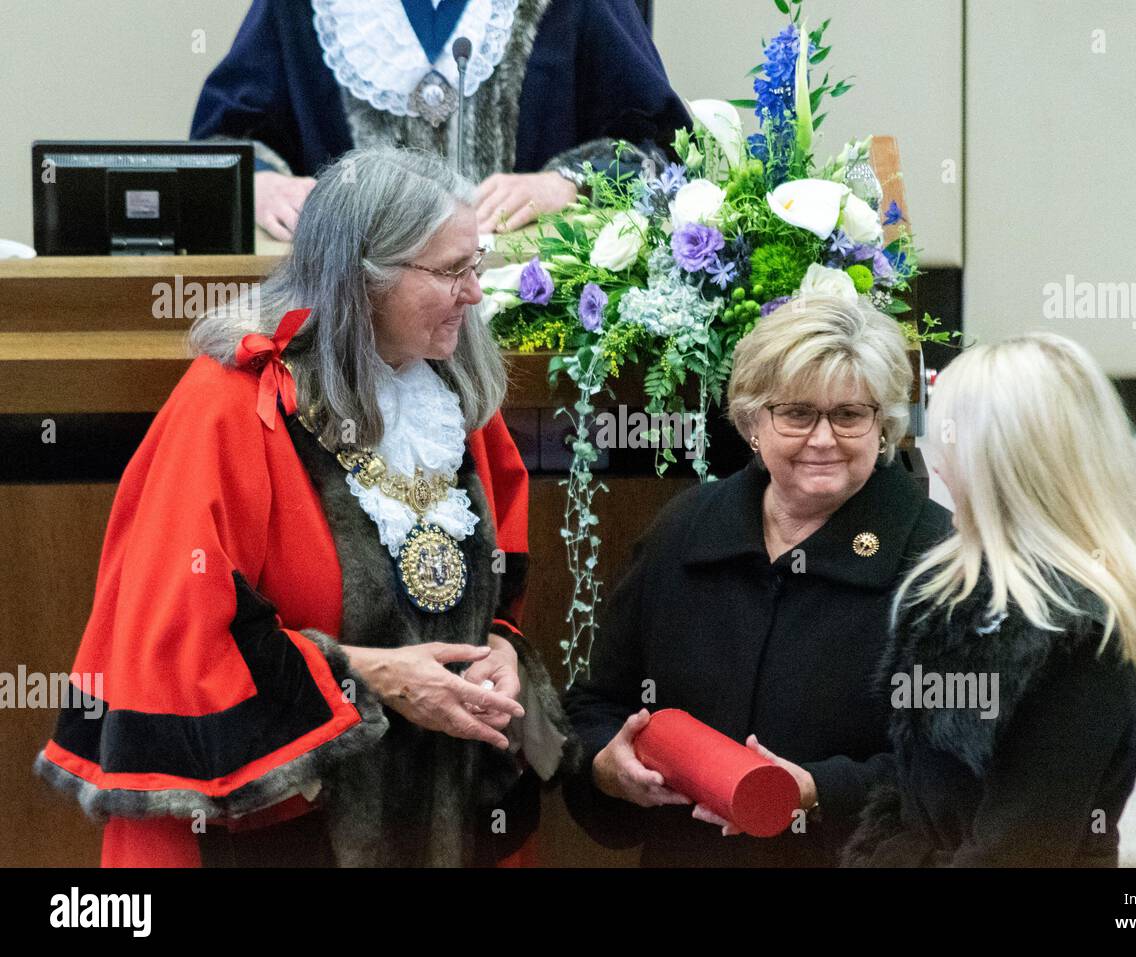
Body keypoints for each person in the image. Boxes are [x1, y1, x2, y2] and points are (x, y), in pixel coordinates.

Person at [34, 146, 574, 867]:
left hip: (445, 806)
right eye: (451, 271)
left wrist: (502, 646)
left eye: (476, 264)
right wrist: (371, 673)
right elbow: (183, 640)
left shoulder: (453, 395)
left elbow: (499, 569)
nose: (476, 293)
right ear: (363, 279)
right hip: (293, 822)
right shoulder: (228, 407)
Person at [562, 295, 953, 866]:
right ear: (752, 423)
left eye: (849, 415)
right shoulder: (687, 528)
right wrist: (606, 766)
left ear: (884, 424)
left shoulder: (937, 559)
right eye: (796, 414)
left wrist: (817, 791)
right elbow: (597, 703)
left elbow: (958, 768)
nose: (822, 440)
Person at [842, 333, 1136, 867]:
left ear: (996, 463)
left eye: (947, 438)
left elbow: (1012, 855)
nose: (937, 461)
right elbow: (915, 794)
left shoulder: (1079, 645)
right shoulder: (959, 590)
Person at [190, 0, 690, 239]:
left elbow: (665, 153)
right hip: (344, 332)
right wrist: (260, 183)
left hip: (528, 327)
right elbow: (222, 141)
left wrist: (567, 184)